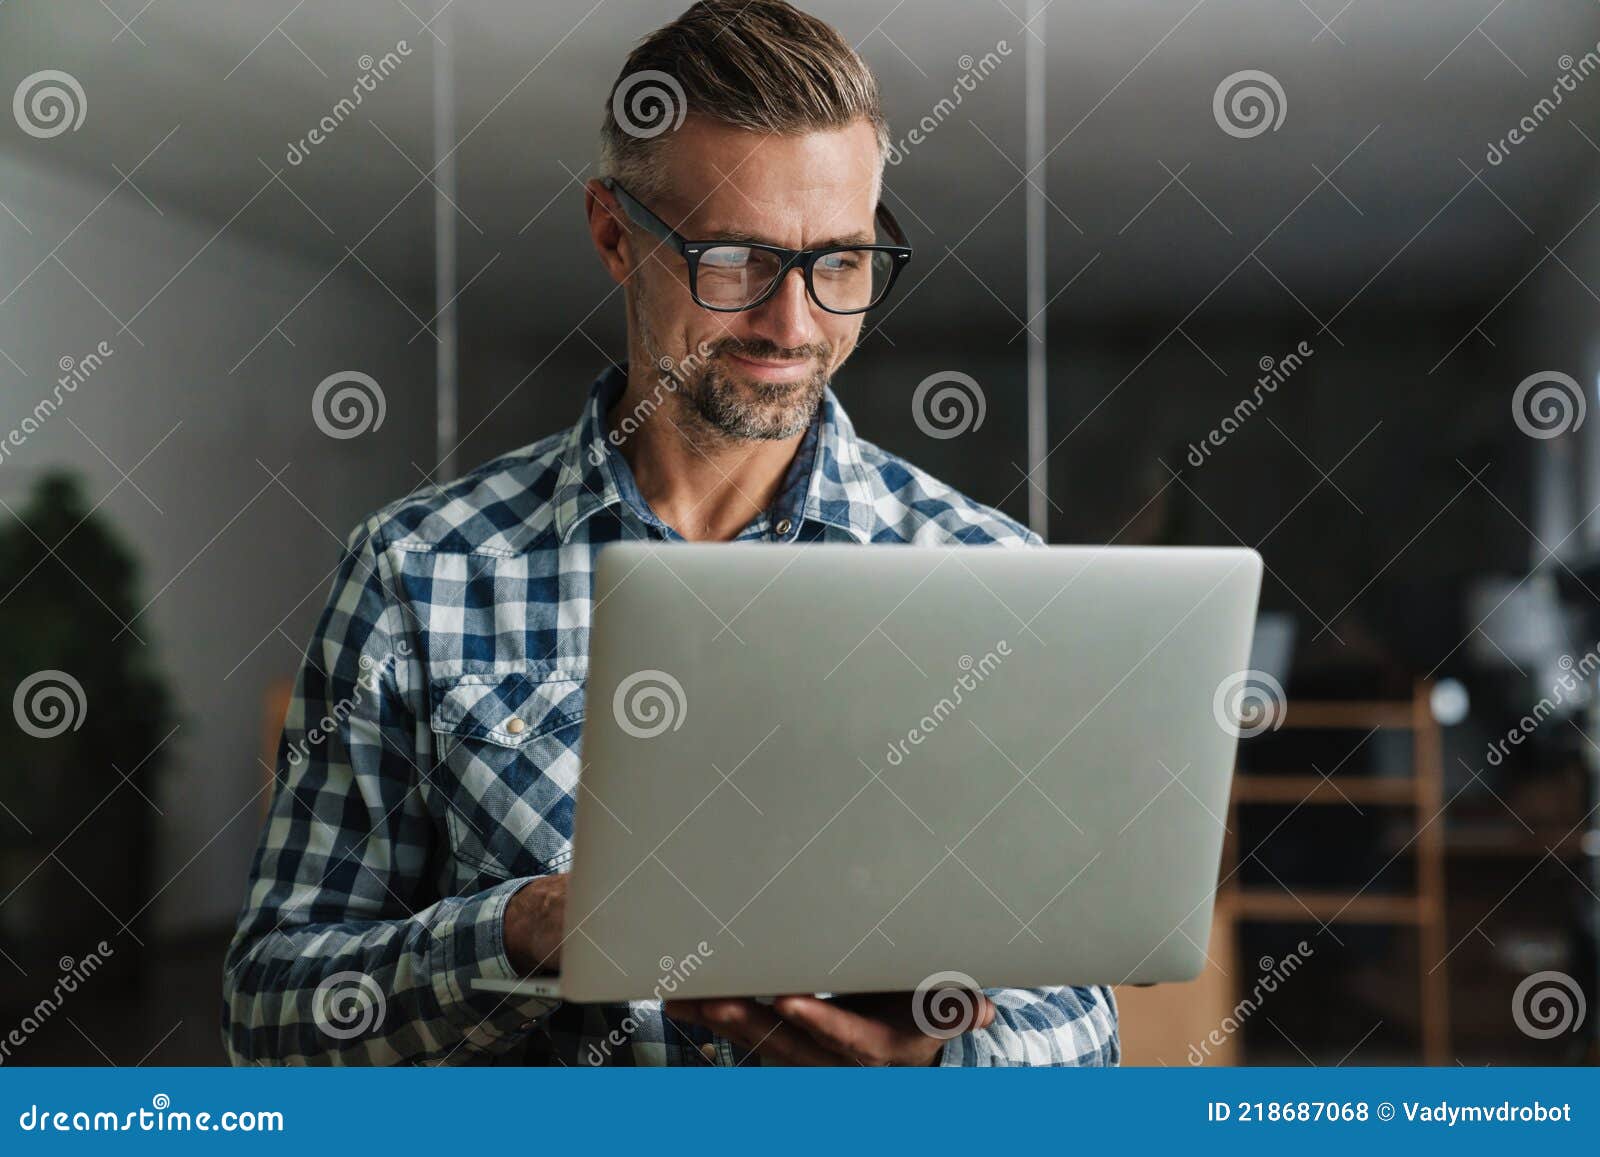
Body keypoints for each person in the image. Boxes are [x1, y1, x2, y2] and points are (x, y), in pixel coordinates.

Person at [222, 0, 1118, 1066]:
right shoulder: (417, 571)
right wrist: (519, 932)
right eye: (737, 259)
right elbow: (273, 1021)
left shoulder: (992, 578)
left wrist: (933, 1065)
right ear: (613, 233)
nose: (793, 325)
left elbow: (1081, 1026)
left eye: (841, 261)